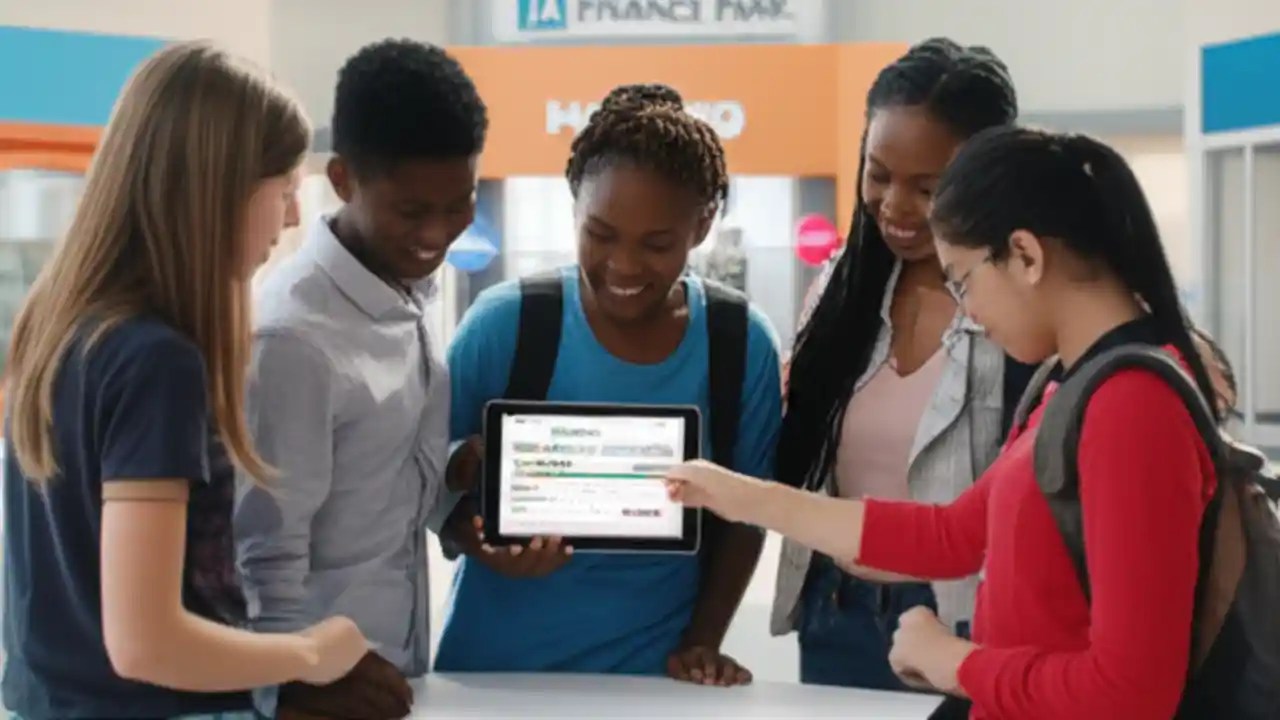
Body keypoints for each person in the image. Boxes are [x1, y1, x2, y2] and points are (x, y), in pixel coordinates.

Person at [665, 126, 1220, 719]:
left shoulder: (1131, 407)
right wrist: (738, 495)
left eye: (963, 280)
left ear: (1026, 256)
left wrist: (953, 662)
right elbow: (951, 535)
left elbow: (1132, 693)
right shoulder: (1072, 386)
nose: (969, 310)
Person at [0, 42, 369, 720]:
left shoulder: (59, 330)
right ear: (216, 190)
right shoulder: (154, 361)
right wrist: (311, 652)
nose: (292, 219)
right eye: (283, 191)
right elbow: (145, 643)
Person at [435, 83, 784, 684]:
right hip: (492, 679)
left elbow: (745, 516)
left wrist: (703, 642)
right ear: (574, 207)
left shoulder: (739, 343)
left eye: (656, 244)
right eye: (600, 234)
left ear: (701, 226)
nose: (623, 266)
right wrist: (477, 539)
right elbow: (428, 487)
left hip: (655, 682)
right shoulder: (505, 326)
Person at [232, 39, 487, 720]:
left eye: (459, 203)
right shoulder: (290, 339)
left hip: (397, 681)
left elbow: (367, 485)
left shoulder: (403, 294)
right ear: (342, 179)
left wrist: (449, 487)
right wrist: (292, 684)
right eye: (412, 211)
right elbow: (263, 553)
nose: (438, 233)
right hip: (324, 697)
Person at [772, 38, 1032, 691]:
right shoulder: (839, 288)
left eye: (927, 187)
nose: (894, 205)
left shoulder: (1023, 299)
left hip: (965, 623)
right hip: (834, 612)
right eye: (878, 173)